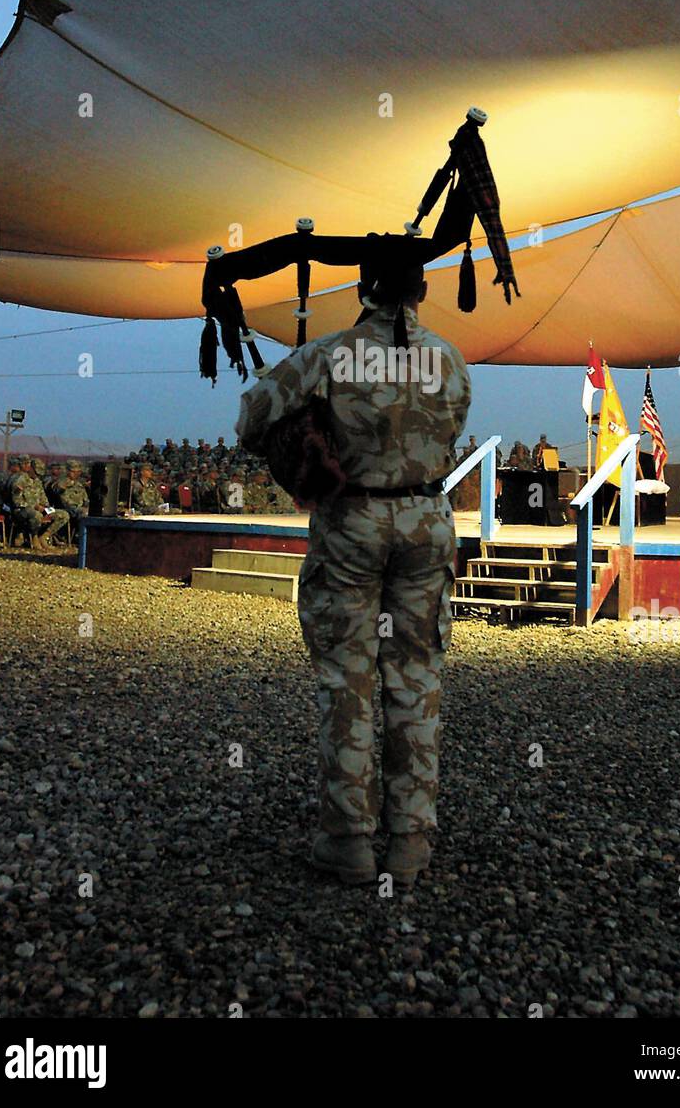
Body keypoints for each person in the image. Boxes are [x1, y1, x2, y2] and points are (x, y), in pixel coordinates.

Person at [235, 257, 470, 888]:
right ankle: (411, 842)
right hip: (425, 520)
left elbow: (251, 416)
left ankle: (349, 841)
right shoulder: (449, 359)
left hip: (352, 523)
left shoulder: (329, 355)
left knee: (348, 677)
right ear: (420, 290)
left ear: (364, 287)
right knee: (416, 675)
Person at [9, 458, 70, 549]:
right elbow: (16, 502)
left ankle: (45, 536)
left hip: (40, 509)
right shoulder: (20, 480)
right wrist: (34, 507)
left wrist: (45, 507)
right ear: (31, 468)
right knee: (36, 515)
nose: (38, 475)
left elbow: (44, 499)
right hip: (21, 511)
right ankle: (34, 537)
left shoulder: (37, 482)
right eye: (36, 472)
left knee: (63, 514)